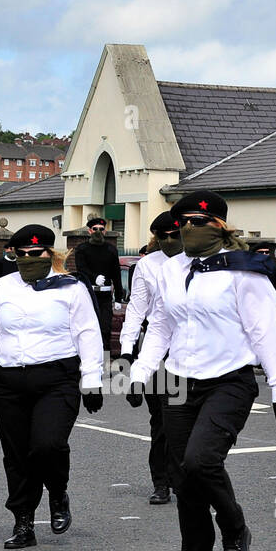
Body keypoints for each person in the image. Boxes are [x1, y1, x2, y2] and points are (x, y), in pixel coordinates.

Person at [130, 190, 276, 551]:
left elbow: (268, 330)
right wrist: (140, 372)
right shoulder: (170, 270)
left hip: (229, 381)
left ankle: (234, 525)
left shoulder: (246, 271)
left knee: (201, 461)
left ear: (219, 226)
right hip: (179, 381)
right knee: (186, 484)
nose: (187, 228)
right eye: (181, 221)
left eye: (196, 221)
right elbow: (162, 325)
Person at [0, 224, 103, 549]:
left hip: (58, 379)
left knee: (48, 445)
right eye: (21, 254)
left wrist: (93, 379)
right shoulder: (3, 287)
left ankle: (57, 493)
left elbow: (87, 333)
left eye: (36, 253)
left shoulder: (71, 288)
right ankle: (23, 522)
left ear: (50, 253)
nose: (28, 259)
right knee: (15, 456)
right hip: (12, 381)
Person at [118, 211, 179, 505]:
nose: (169, 241)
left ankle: (184, 476)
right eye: (162, 236)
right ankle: (162, 482)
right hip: (160, 350)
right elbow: (137, 309)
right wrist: (128, 351)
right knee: (163, 421)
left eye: (174, 235)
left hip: (196, 352)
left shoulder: (203, 262)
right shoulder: (147, 266)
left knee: (190, 421)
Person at [74, 215, 124, 355]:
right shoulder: (82, 249)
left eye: (101, 229)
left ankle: (105, 357)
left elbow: (116, 274)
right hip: (89, 294)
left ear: (105, 232)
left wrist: (119, 297)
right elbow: (81, 269)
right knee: (89, 328)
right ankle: (86, 357)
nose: (98, 231)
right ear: (89, 231)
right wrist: (93, 278)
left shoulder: (111, 249)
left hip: (105, 296)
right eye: (95, 229)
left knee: (105, 328)